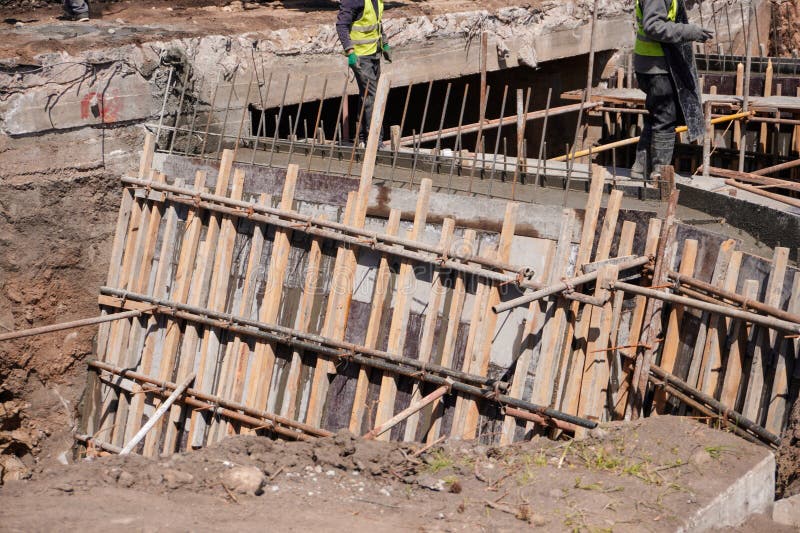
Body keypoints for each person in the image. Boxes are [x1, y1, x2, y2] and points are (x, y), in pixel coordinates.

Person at [632, 0, 712, 182]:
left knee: (658, 116)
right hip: (657, 66)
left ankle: (640, 168)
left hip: (655, 64)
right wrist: (689, 31)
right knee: (665, 118)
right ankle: (659, 174)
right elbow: (653, 26)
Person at [336, 0, 391, 146]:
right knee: (373, 95)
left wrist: (384, 43)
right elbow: (341, 25)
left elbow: (377, 23)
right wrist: (349, 50)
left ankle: (363, 138)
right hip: (360, 57)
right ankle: (375, 141)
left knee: (366, 95)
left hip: (374, 53)